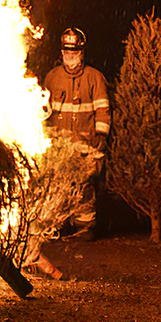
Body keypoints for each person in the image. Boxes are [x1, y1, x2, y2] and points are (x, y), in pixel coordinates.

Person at [42, 26, 111, 238]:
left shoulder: (94, 78)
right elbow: (44, 112)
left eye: (74, 52)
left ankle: (85, 226)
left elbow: (103, 109)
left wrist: (101, 135)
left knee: (84, 185)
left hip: (86, 143)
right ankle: (58, 224)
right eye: (66, 51)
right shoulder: (52, 78)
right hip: (59, 145)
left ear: (82, 53)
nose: (70, 55)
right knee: (57, 184)